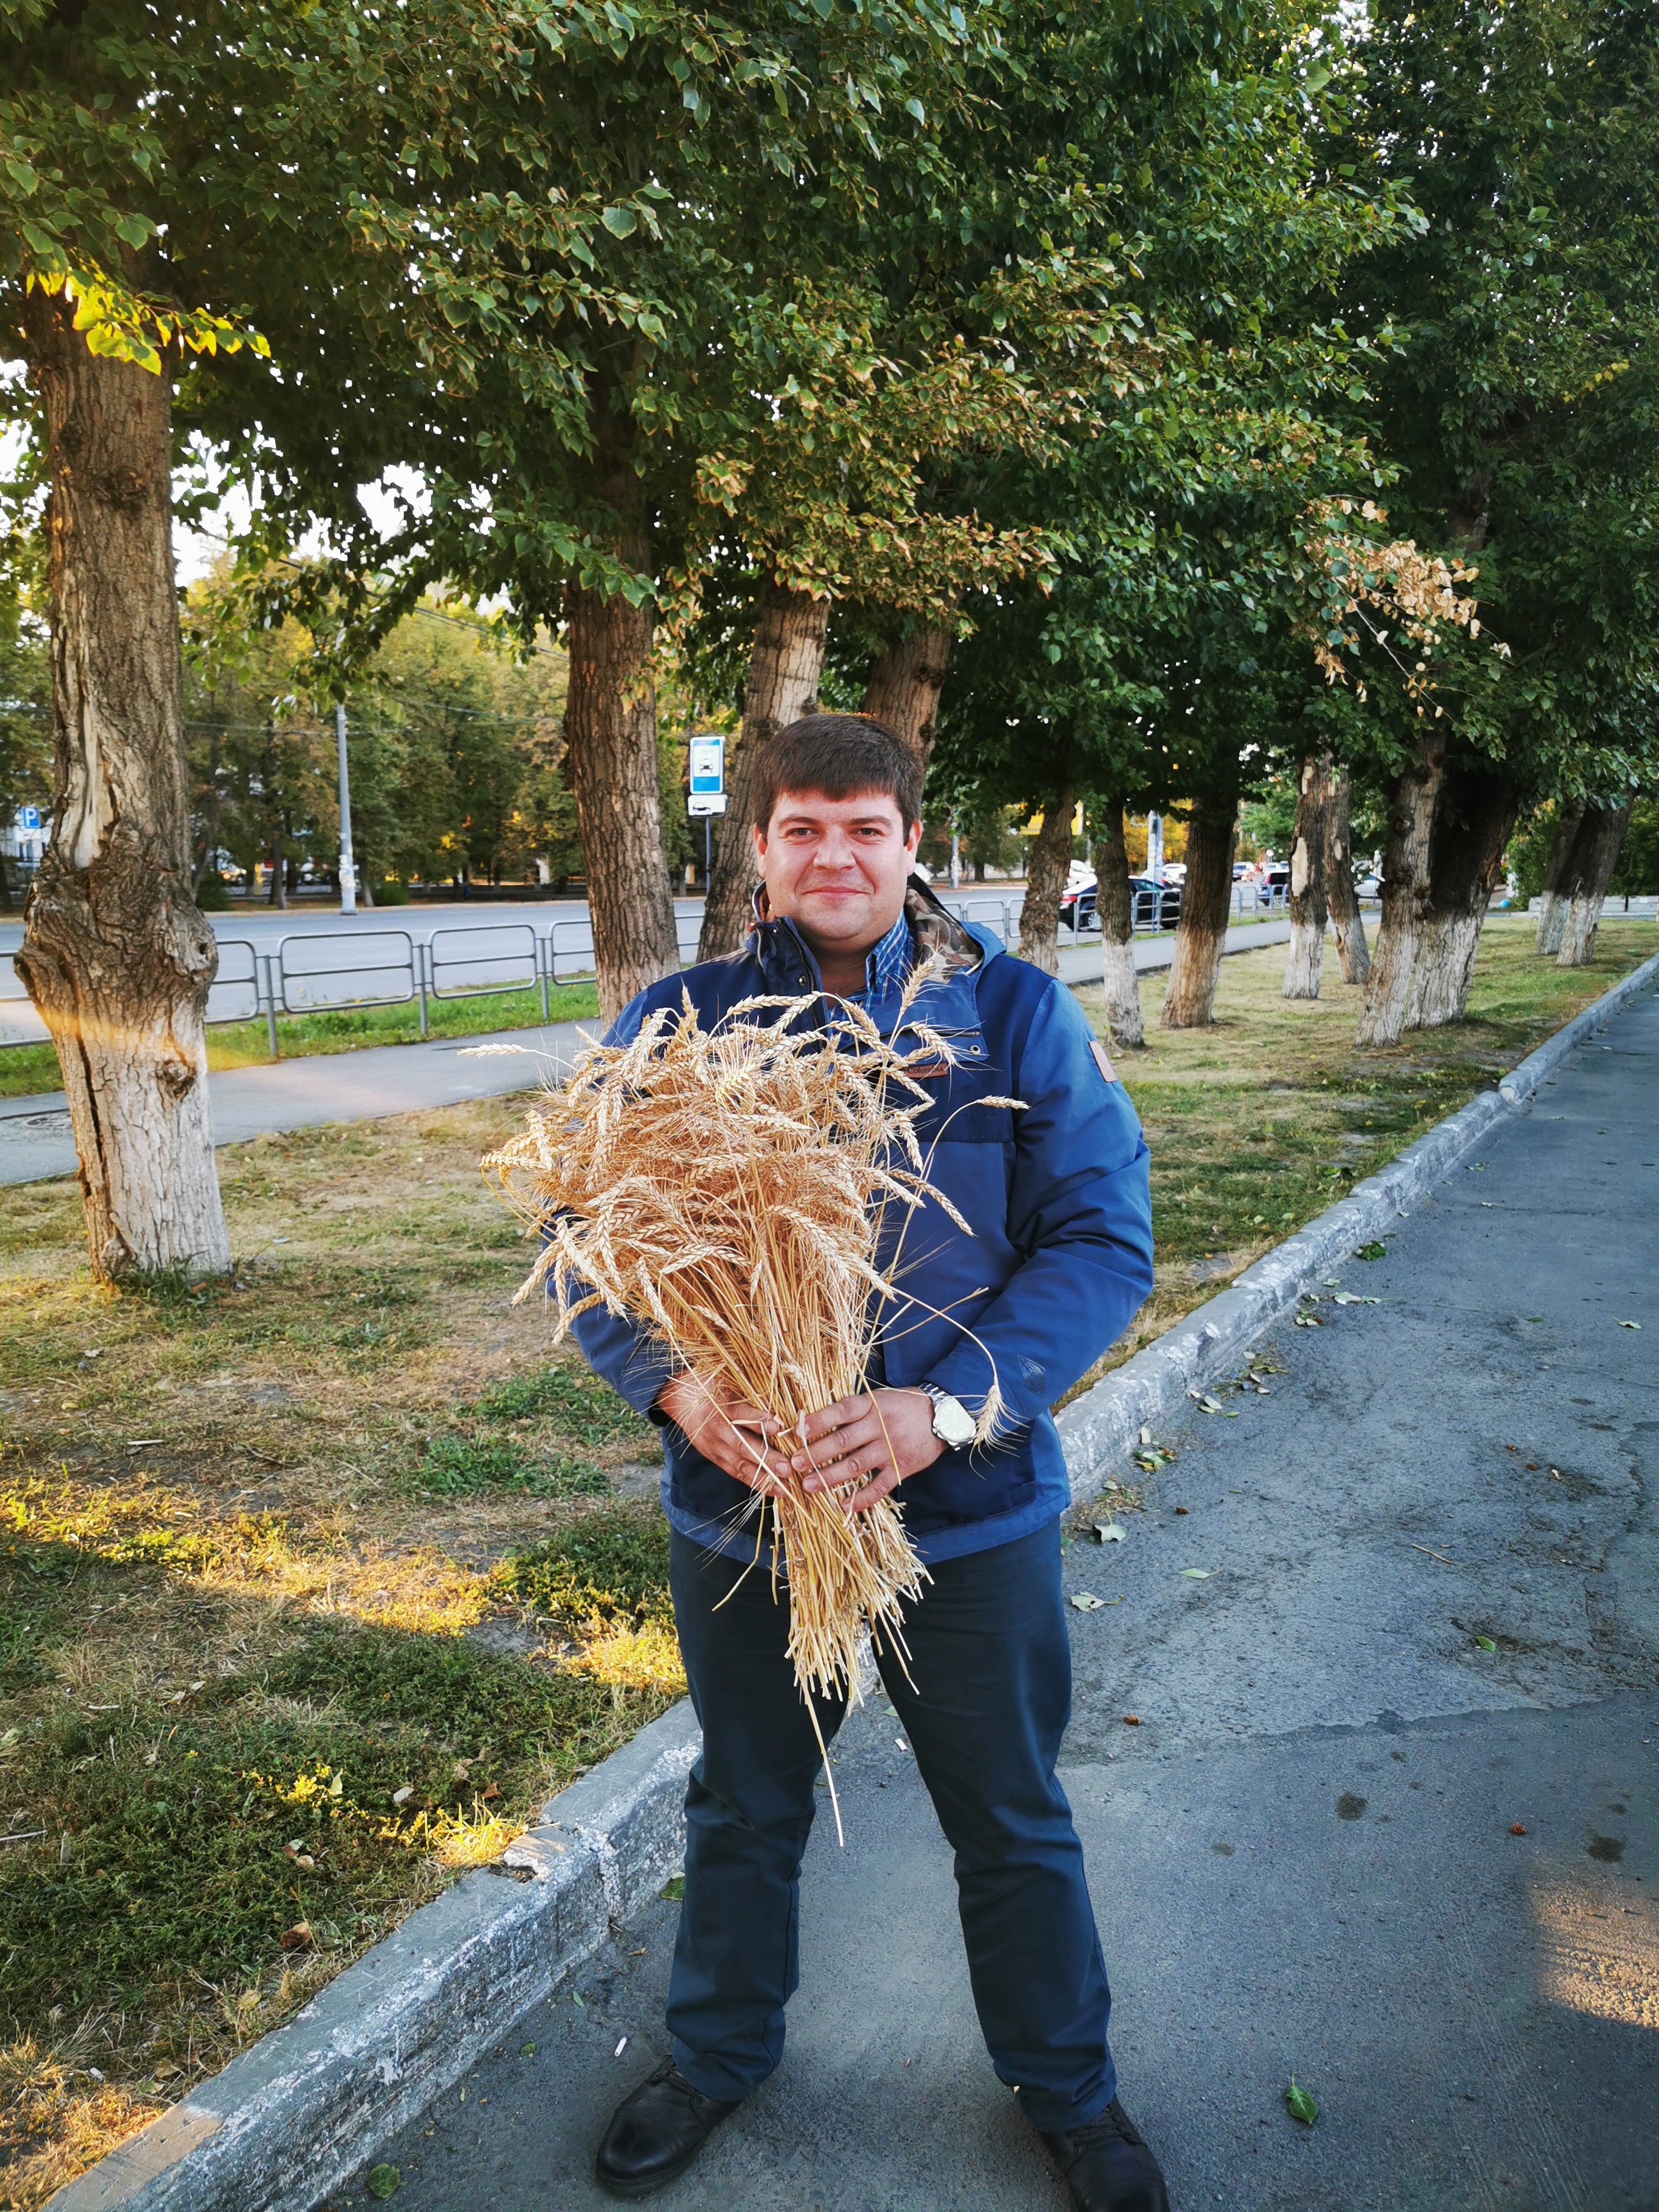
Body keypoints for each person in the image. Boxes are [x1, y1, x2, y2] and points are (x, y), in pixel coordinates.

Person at [570, 713, 1164, 2211]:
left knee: (1010, 1815)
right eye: (801, 830)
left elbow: (1103, 1243)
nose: (834, 855)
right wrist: (679, 1392)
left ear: (912, 838)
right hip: (744, 1519)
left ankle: (1070, 2093)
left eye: (864, 827)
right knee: (744, 1806)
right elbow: (585, 1238)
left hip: (964, 1522)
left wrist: (946, 1408)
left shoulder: (1011, 1012)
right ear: (758, 848)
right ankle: (715, 2058)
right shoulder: (681, 1024)